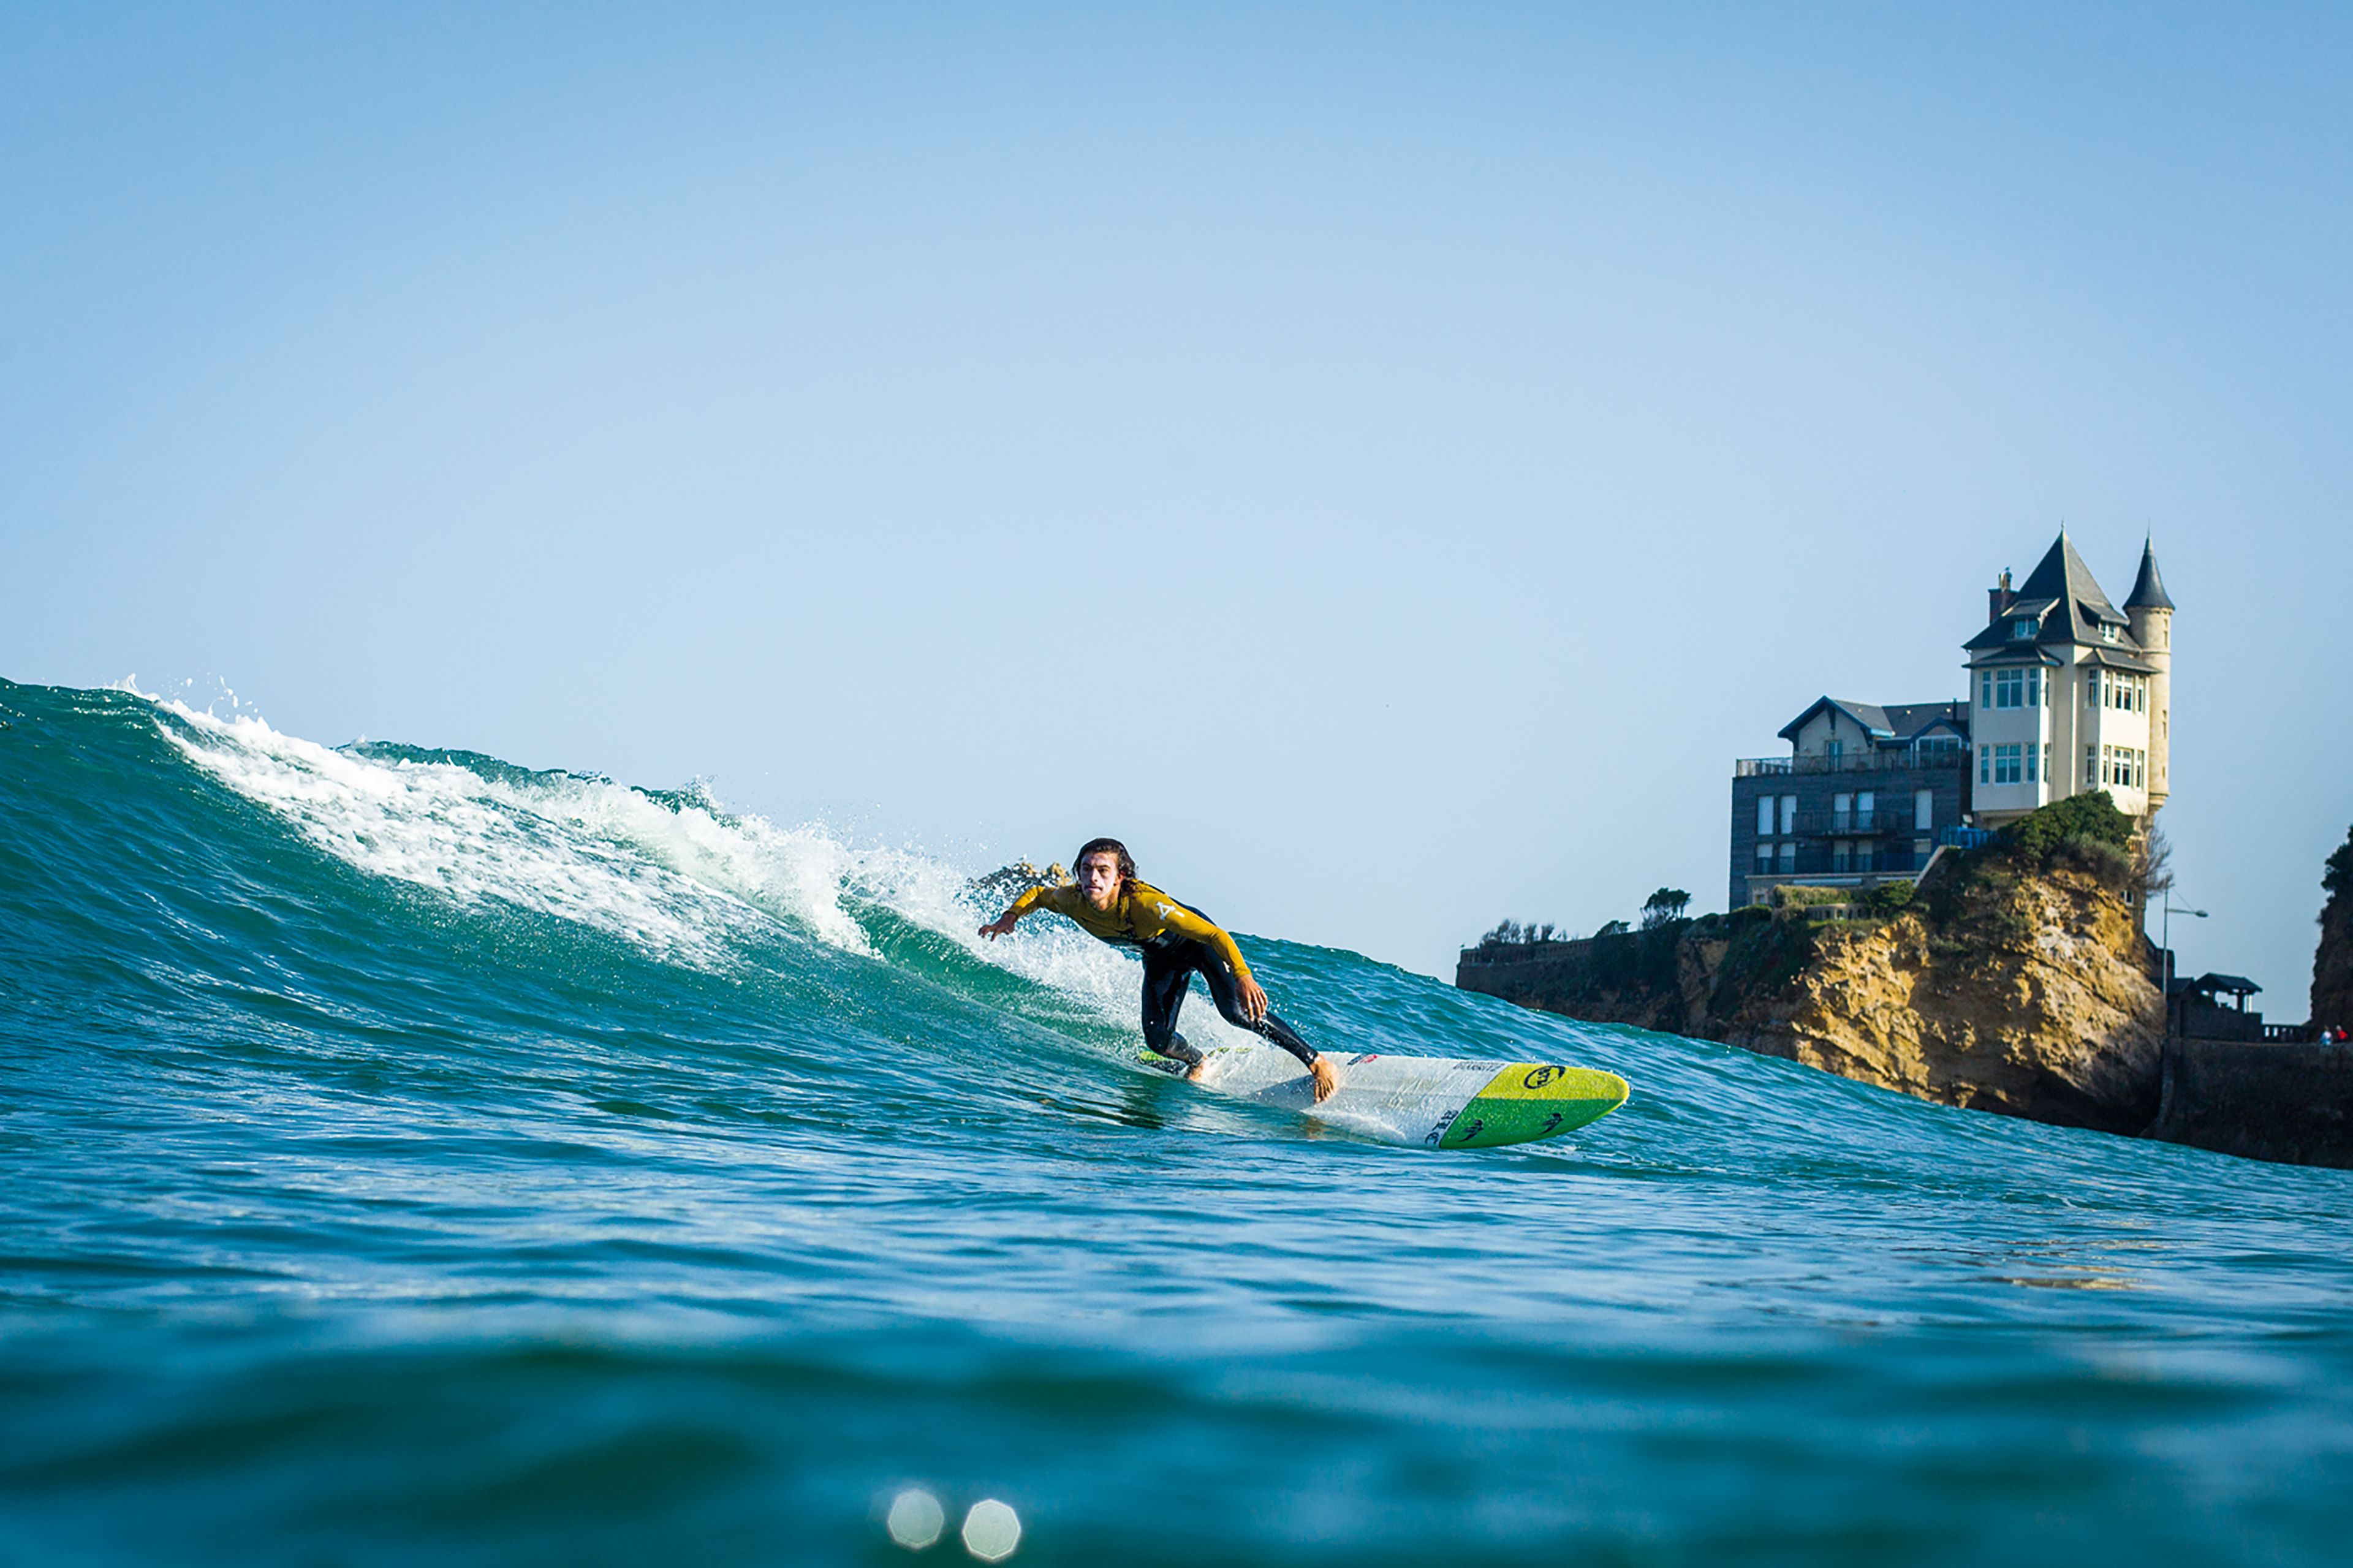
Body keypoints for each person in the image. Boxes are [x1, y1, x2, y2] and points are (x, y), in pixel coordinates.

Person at [980, 837, 1338, 1102]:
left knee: (1236, 1013)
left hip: (1197, 946)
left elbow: (1214, 934)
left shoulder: (1147, 905)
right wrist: (1010, 916)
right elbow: (1039, 894)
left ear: (1120, 877)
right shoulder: (1072, 900)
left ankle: (1316, 1061)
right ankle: (1198, 1061)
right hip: (1160, 958)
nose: (1093, 877)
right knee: (1158, 1040)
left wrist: (1243, 974)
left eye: (1103, 871)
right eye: (1086, 869)